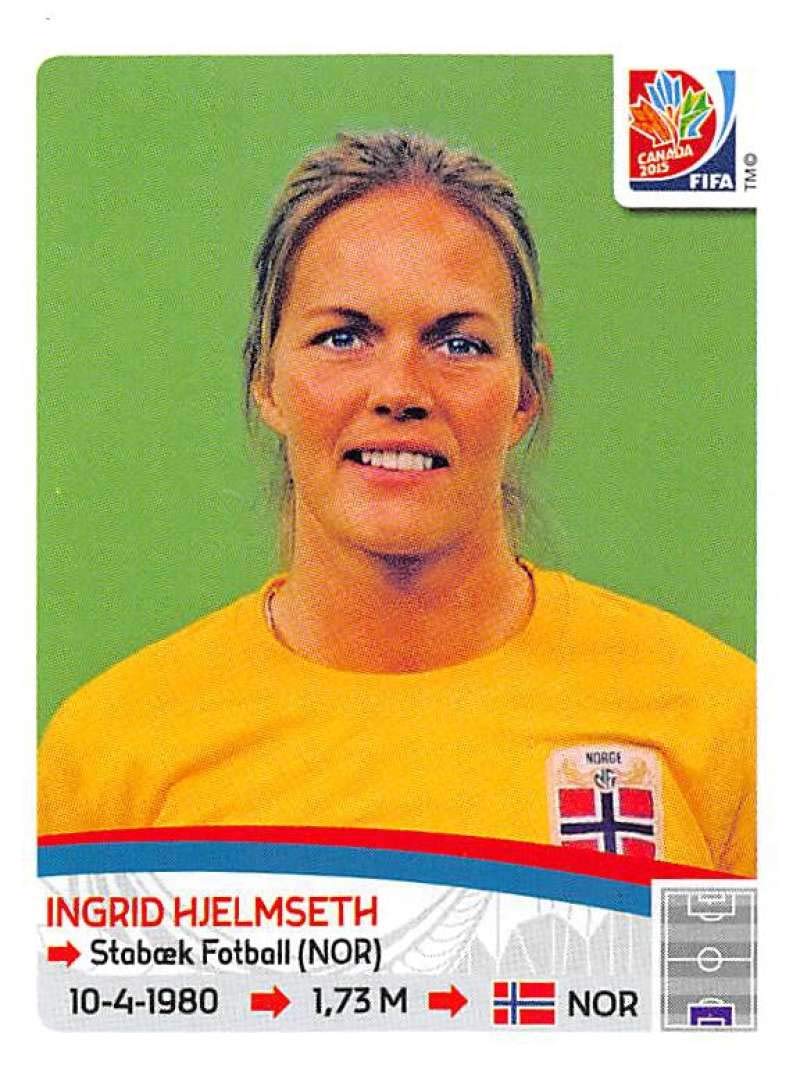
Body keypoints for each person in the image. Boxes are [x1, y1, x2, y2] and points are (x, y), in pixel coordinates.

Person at [38, 131, 754, 875]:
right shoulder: (112, 753)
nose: (400, 391)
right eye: (342, 337)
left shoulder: (722, 720)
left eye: (460, 344)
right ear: (266, 380)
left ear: (526, 394)